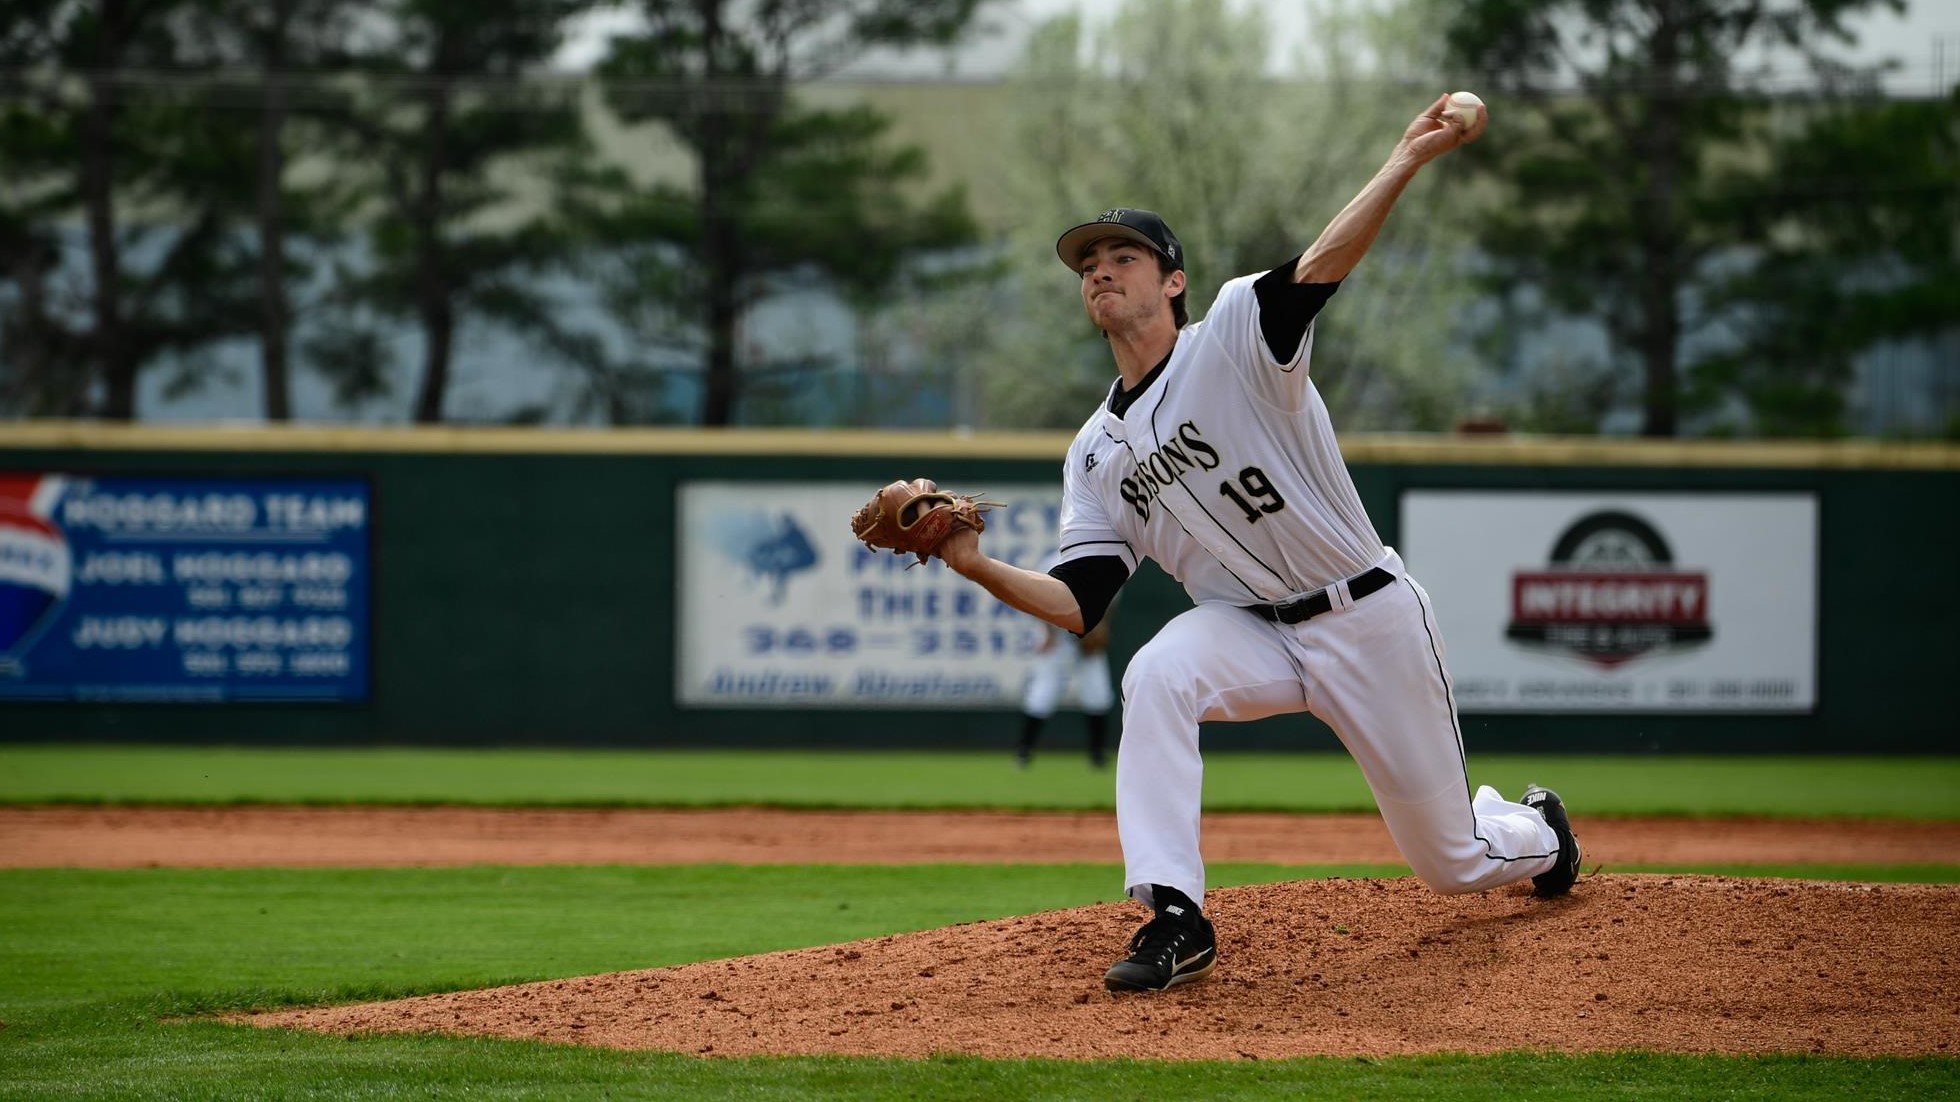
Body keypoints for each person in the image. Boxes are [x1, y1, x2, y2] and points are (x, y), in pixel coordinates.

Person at [935, 93, 1581, 994]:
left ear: (1174, 282)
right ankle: (1174, 914)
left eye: (1125, 257)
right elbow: (1078, 598)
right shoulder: (1094, 451)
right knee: (1158, 671)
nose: (1100, 272)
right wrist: (969, 564)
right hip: (1247, 628)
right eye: (1088, 263)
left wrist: (1403, 160)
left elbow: (1323, 264)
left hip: (1367, 617)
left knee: (1453, 865)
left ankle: (1540, 833)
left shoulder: (1236, 335)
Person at [1015, 551, 1117, 769]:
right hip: (1057, 634)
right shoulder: (1052, 561)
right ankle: (1024, 750)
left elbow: (1111, 601)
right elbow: (1034, 596)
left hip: (1086, 635)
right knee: (1043, 692)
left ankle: (1097, 754)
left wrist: (1102, 628)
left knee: (1097, 692)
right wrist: (1048, 634)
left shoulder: (1109, 561)